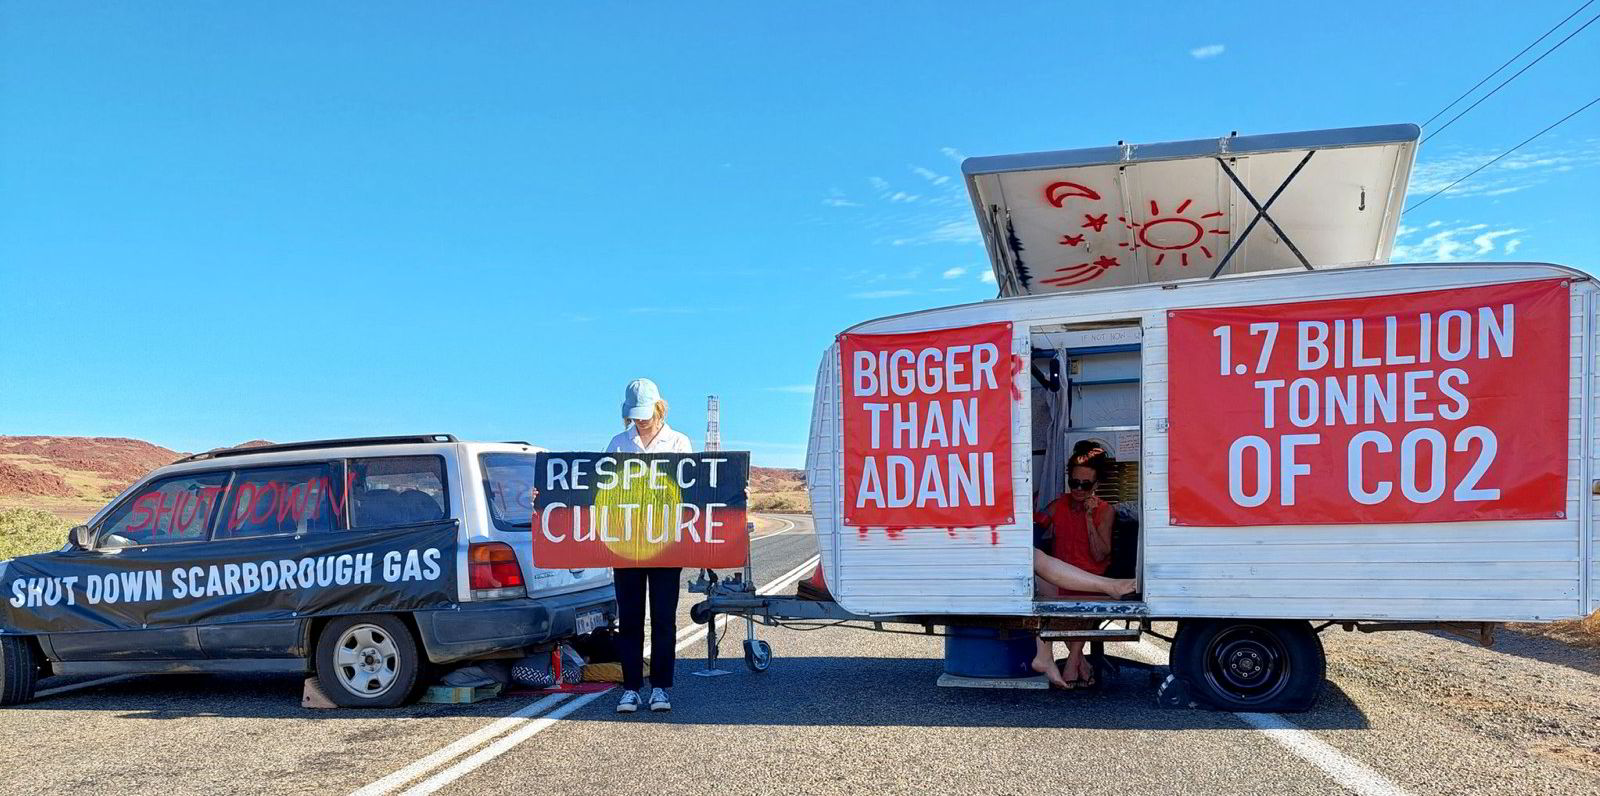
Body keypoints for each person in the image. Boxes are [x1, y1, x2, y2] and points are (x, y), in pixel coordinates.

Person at [605, 378, 692, 714]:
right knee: (629, 619)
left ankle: (660, 687)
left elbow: (694, 488)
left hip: (666, 544)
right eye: (634, 415)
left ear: (659, 407)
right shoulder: (617, 443)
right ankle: (630, 688)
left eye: (644, 413)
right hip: (626, 543)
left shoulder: (679, 442)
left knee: (663, 618)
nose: (640, 420)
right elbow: (594, 488)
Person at [1030, 453, 1135, 689]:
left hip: (1091, 579)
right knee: (1045, 592)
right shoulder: (1058, 505)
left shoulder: (1104, 511)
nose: (1078, 489)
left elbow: (1100, 554)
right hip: (1062, 579)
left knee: (1080, 606)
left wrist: (1089, 517)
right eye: (1074, 482)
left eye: (1084, 485)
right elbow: (1035, 527)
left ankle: (1073, 662)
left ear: (1096, 486)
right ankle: (1081, 665)